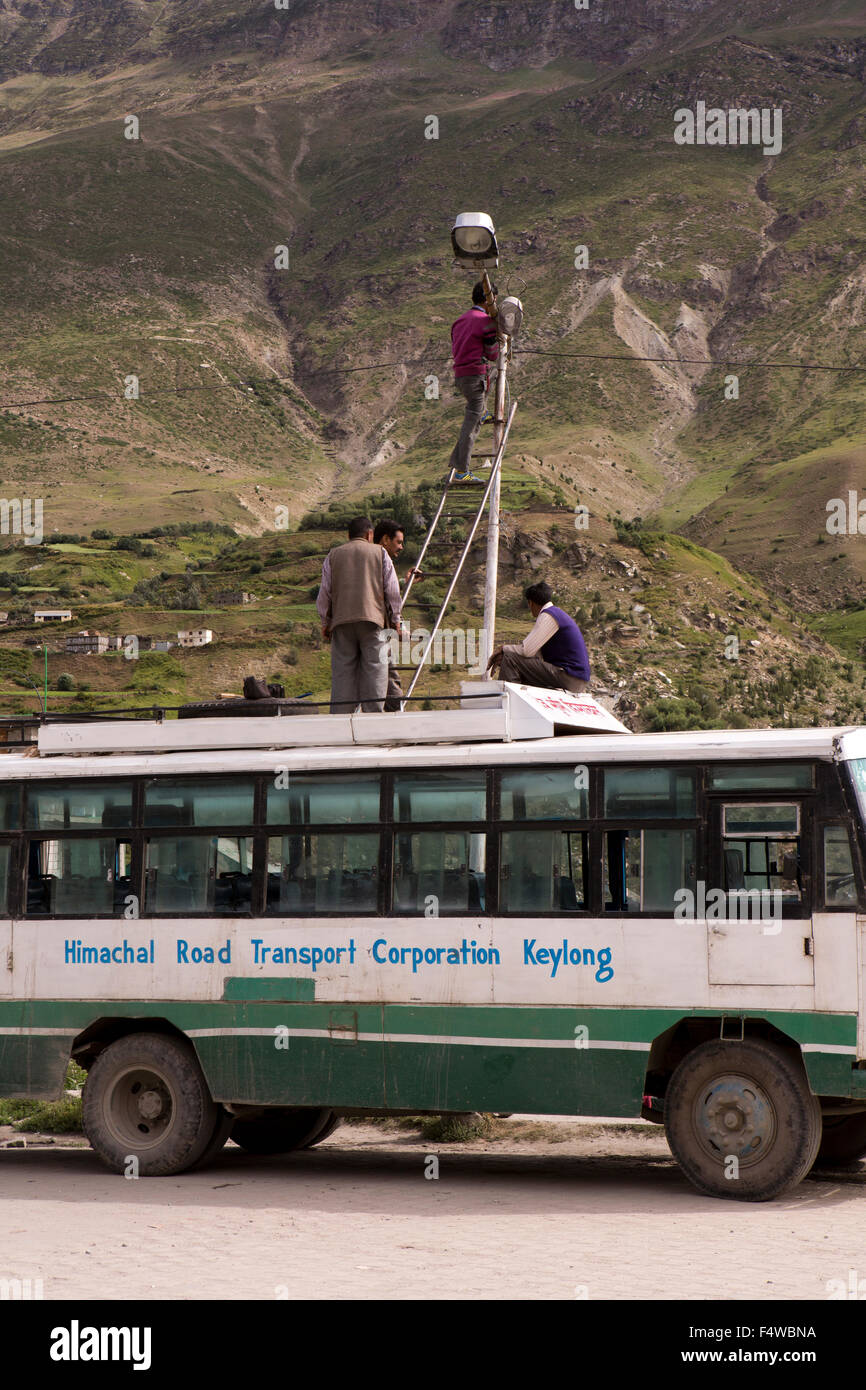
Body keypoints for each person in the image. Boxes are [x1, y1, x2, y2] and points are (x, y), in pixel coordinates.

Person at [316, 516, 402, 714]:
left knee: (343, 676)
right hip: (373, 622)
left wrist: (325, 622)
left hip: (341, 623)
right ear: (369, 534)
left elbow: (324, 594)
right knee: (375, 672)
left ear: (349, 535)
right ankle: (373, 723)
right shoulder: (379, 552)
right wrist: (396, 620)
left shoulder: (333, 555)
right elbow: (392, 591)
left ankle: (341, 724)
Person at [487, 581, 590, 692]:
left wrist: (503, 649)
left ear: (531, 603)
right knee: (519, 667)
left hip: (569, 677)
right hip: (577, 679)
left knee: (510, 658)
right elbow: (533, 656)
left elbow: (526, 650)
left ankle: (509, 700)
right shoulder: (557, 614)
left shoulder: (549, 615)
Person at [448, 282, 500, 480]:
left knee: (475, 414)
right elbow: (493, 355)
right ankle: (462, 471)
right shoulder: (484, 321)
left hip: (461, 376)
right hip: (475, 375)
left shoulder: (459, 321)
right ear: (489, 299)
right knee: (471, 427)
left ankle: (483, 412)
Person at [372, 518, 418, 713]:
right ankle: (396, 717)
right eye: (398, 542)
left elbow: (383, 591)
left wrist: (405, 583)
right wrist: (398, 624)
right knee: (388, 677)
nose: (401, 547)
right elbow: (389, 596)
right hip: (378, 631)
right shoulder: (381, 558)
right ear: (385, 539)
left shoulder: (369, 561)